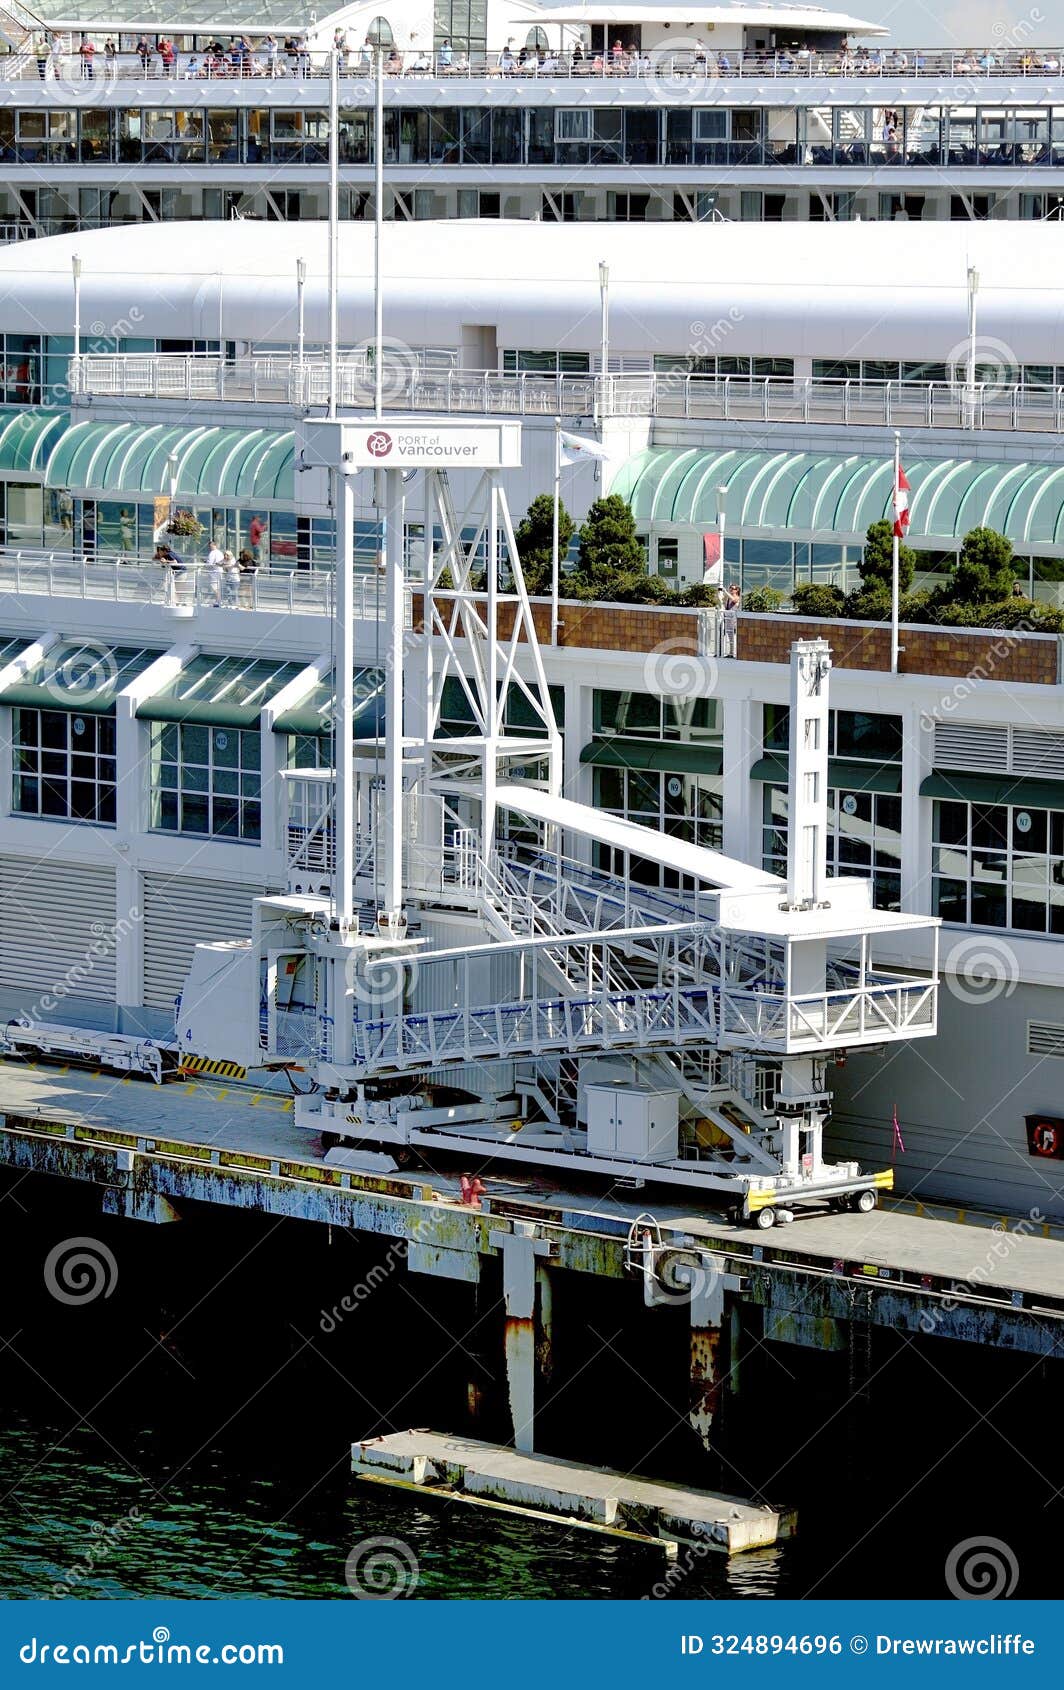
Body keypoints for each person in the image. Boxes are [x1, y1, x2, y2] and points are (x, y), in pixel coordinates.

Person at [204, 537, 224, 605]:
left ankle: (219, 600)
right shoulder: (220, 552)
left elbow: (210, 563)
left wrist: (205, 564)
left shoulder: (212, 552)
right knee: (217, 586)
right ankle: (218, 600)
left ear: (214, 545)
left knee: (214, 587)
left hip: (214, 572)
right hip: (219, 571)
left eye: (211, 546)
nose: (210, 547)